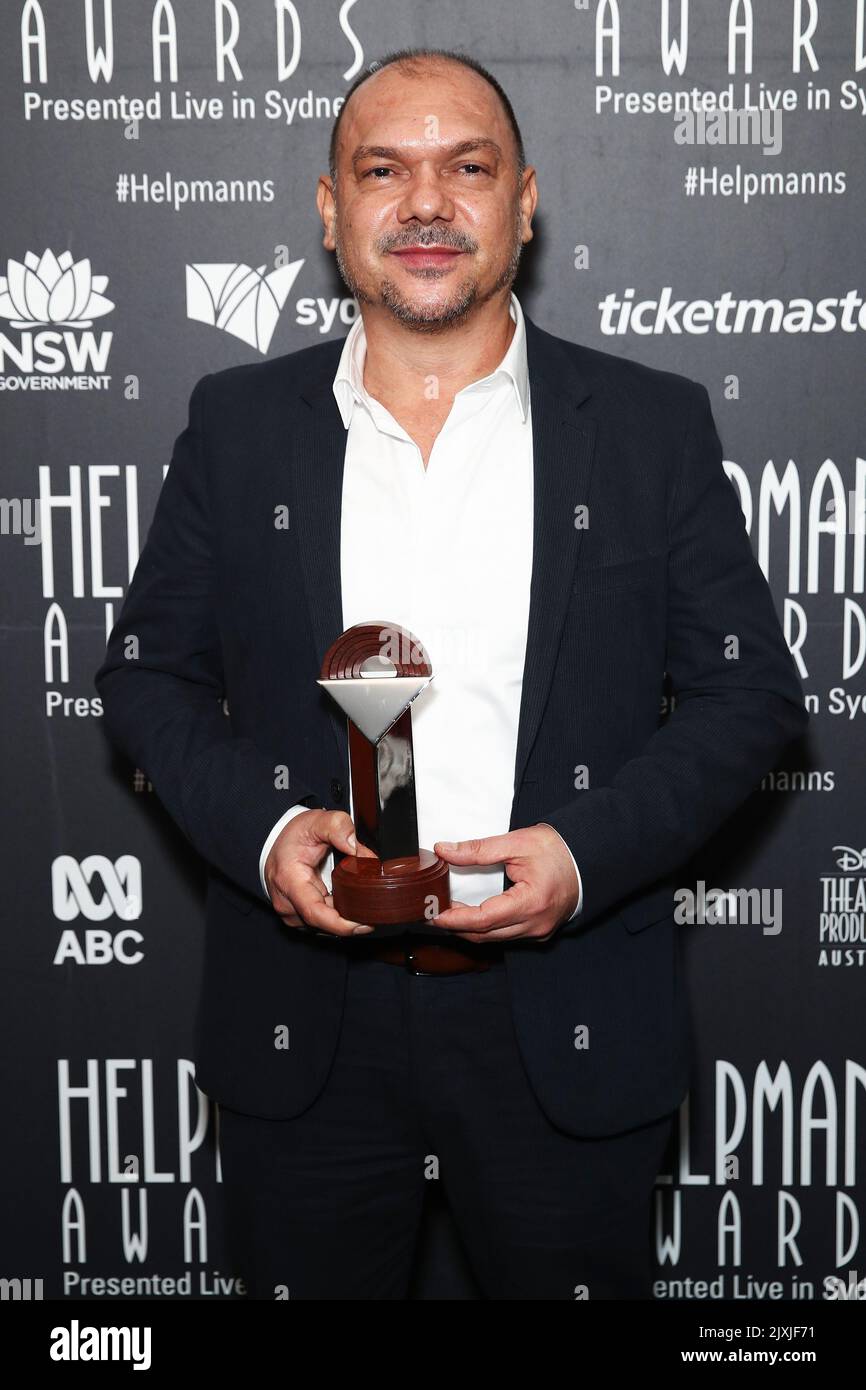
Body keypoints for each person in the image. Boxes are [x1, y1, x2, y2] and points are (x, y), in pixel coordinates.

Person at [94, 47, 809, 1300]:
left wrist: (582, 856)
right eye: (384, 169)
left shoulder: (648, 425)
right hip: (304, 1023)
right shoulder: (237, 422)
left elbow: (747, 694)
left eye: (465, 168)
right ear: (330, 211)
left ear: (523, 202)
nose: (426, 202)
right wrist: (266, 839)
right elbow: (146, 675)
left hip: (562, 1014)